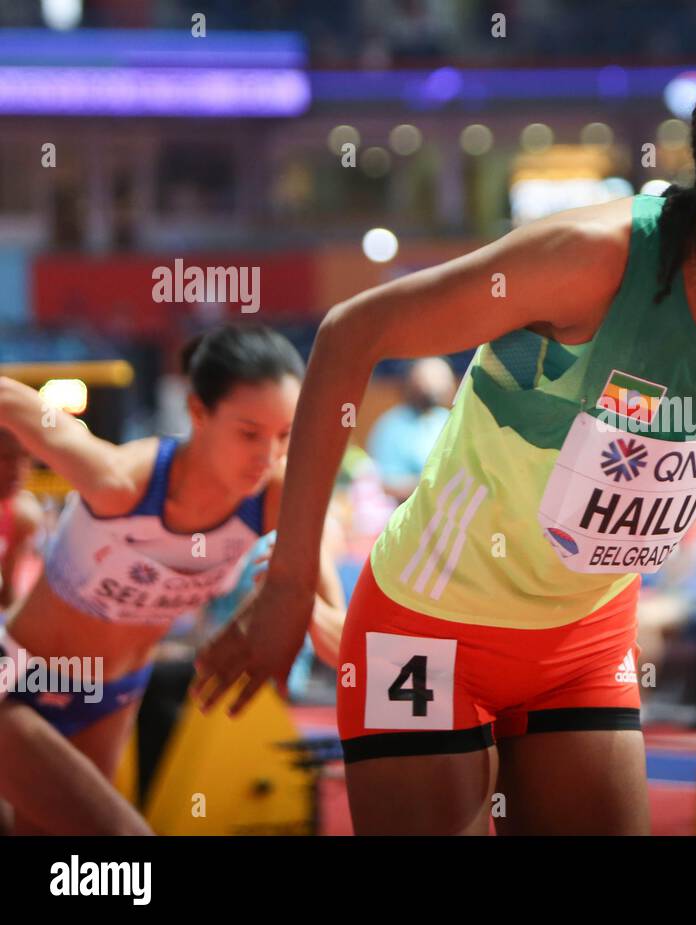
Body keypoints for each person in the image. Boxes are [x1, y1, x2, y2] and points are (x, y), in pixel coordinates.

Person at [195, 32, 696, 835]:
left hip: (584, 645)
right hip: (430, 626)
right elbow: (350, 333)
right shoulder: (592, 261)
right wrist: (288, 587)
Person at [0, 324, 341, 835]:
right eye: (249, 433)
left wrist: (288, 604)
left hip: (112, 696)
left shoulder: (276, 495)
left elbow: (329, 605)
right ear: (198, 413)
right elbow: (8, 397)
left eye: (284, 435)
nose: (267, 456)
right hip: (19, 680)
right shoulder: (119, 481)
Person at [366, 357, 456, 501]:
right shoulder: (392, 426)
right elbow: (388, 484)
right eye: (429, 379)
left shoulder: (448, 420)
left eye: (443, 379)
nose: (438, 386)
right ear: (411, 382)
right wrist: (436, 484)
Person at [0, 428, 42, 611]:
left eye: (25, 457)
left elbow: (6, 595)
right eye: (6, 457)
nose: (17, 469)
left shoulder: (22, 517)